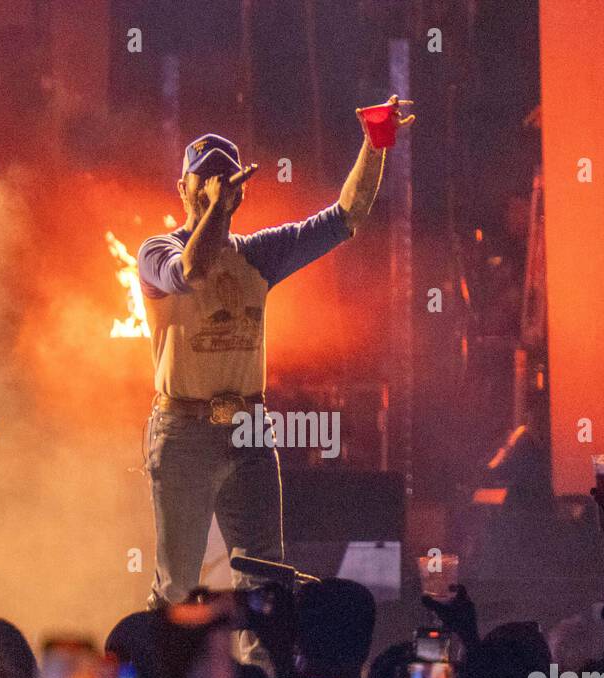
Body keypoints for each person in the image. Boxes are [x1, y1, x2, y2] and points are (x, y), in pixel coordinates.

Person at [136, 98, 415, 619]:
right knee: (177, 587)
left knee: (264, 583)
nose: (217, 184)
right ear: (183, 188)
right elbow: (191, 273)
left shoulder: (258, 255)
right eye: (205, 177)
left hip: (248, 430)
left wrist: (376, 143)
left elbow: (345, 217)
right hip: (184, 432)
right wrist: (216, 211)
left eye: (225, 176)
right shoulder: (157, 251)